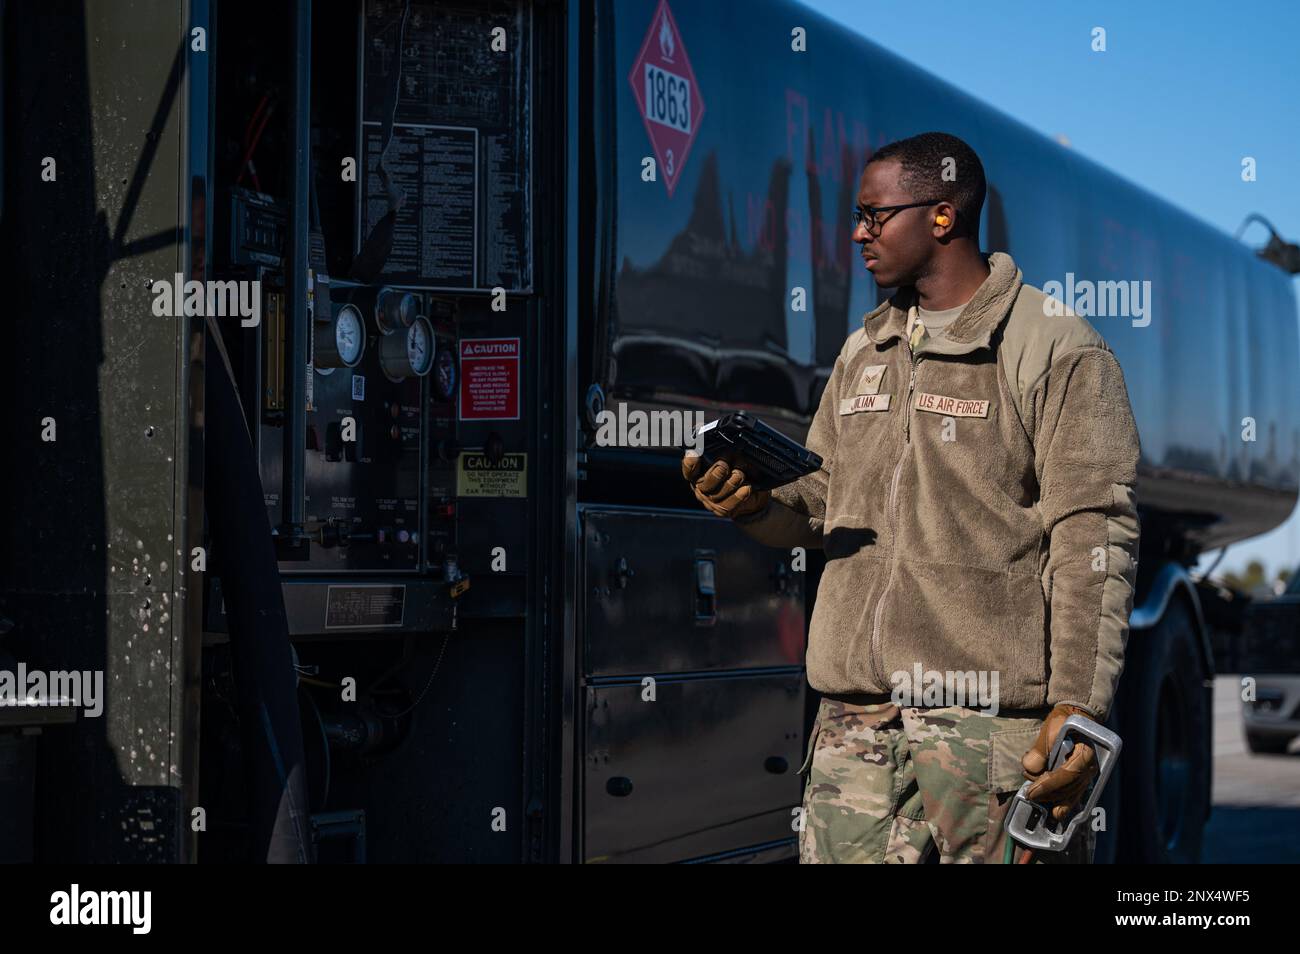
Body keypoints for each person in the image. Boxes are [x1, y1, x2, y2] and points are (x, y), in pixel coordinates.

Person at [682, 132, 1140, 864]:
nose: (857, 233)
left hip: (988, 738)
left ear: (942, 216)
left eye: (874, 214)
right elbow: (830, 502)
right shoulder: (865, 352)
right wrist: (752, 504)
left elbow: (1093, 535)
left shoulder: (1054, 347)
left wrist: (1077, 707)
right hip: (854, 730)